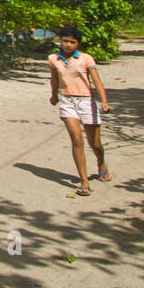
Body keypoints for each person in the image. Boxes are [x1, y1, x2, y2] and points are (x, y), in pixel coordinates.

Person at [48, 25, 111, 195]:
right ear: (60, 41)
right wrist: (54, 96)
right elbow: (54, 79)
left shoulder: (86, 59)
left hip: (86, 101)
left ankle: (101, 162)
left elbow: (97, 81)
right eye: (65, 41)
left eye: (72, 42)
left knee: (95, 144)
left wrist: (104, 101)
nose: (68, 45)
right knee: (77, 140)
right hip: (66, 101)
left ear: (78, 44)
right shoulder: (53, 59)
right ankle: (84, 181)